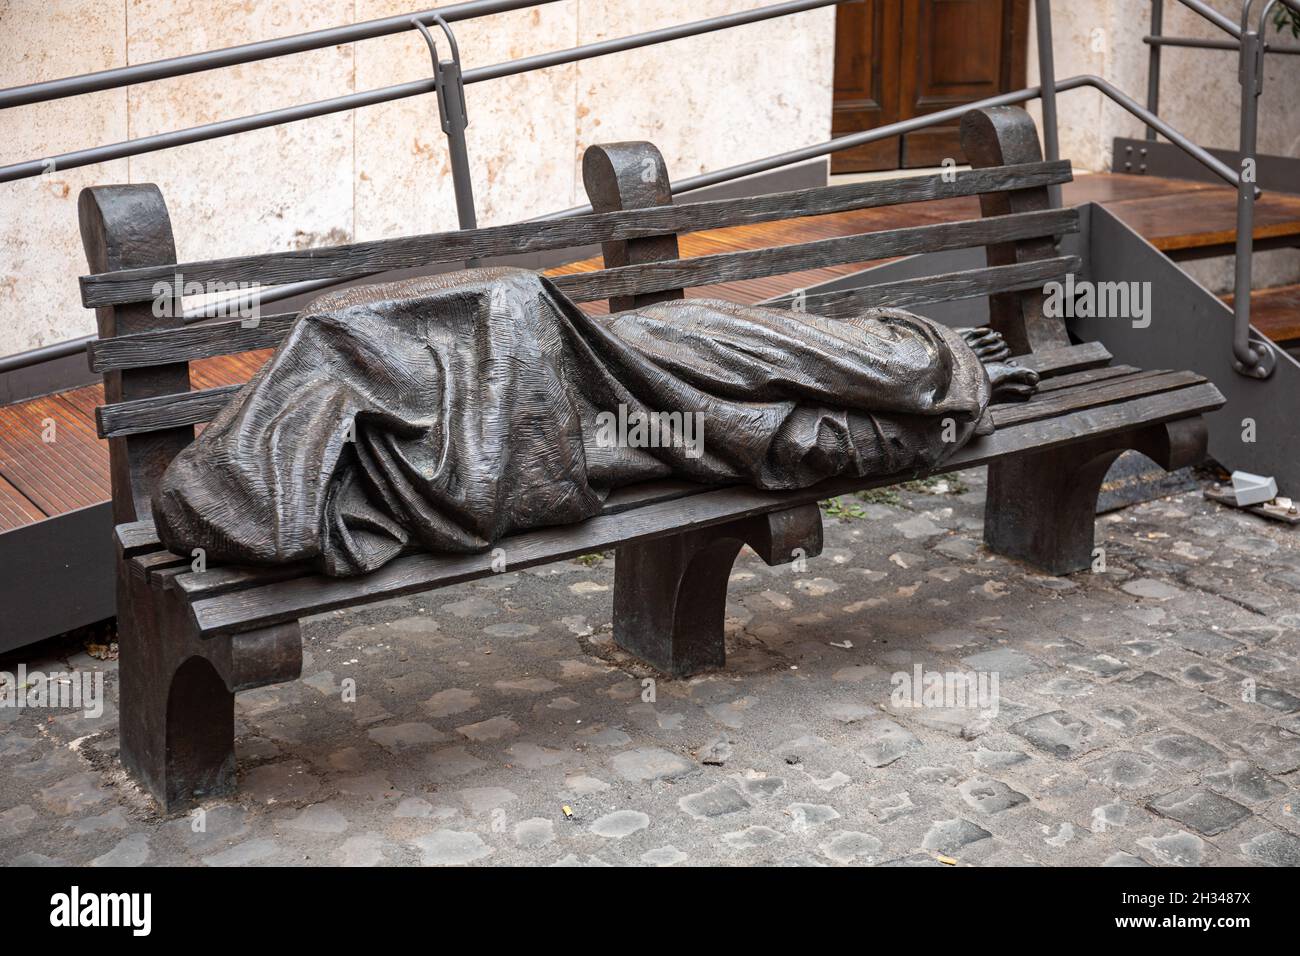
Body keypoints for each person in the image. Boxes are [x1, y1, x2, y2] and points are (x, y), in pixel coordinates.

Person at [153, 267, 1038, 576]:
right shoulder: (341, 498)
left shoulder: (323, 364)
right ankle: (950, 385)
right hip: (590, 437)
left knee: (752, 365)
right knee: (773, 439)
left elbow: (484, 311)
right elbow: (472, 494)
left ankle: (940, 367)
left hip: (595, 362)